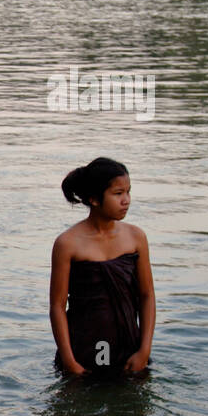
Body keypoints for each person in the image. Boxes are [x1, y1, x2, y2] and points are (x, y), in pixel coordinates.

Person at [50, 157, 155, 377]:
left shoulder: (136, 237)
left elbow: (146, 295)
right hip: (82, 352)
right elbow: (57, 307)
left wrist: (144, 351)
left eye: (128, 192)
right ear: (94, 199)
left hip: (129, 350)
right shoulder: (67, 243)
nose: (126, 200)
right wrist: (70, 362)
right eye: (118, 194)